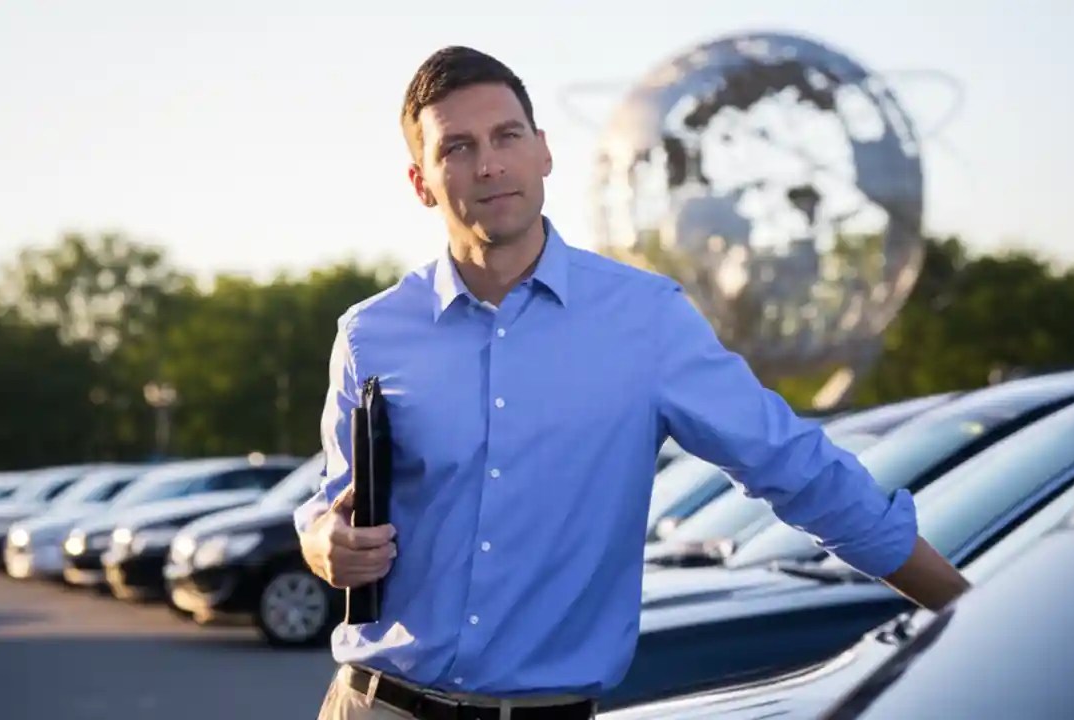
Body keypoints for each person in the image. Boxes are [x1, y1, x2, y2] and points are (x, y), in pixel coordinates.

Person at [295, 45, 970, 720]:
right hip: (377, 706)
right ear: (422, 182)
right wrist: (323, 543)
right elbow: (330, 505)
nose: (491, 163)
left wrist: (970, 607)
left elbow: (800, 470)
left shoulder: (647, 320)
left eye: (507, 136)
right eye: (458, 148)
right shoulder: (370, 334)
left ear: (544, 151)